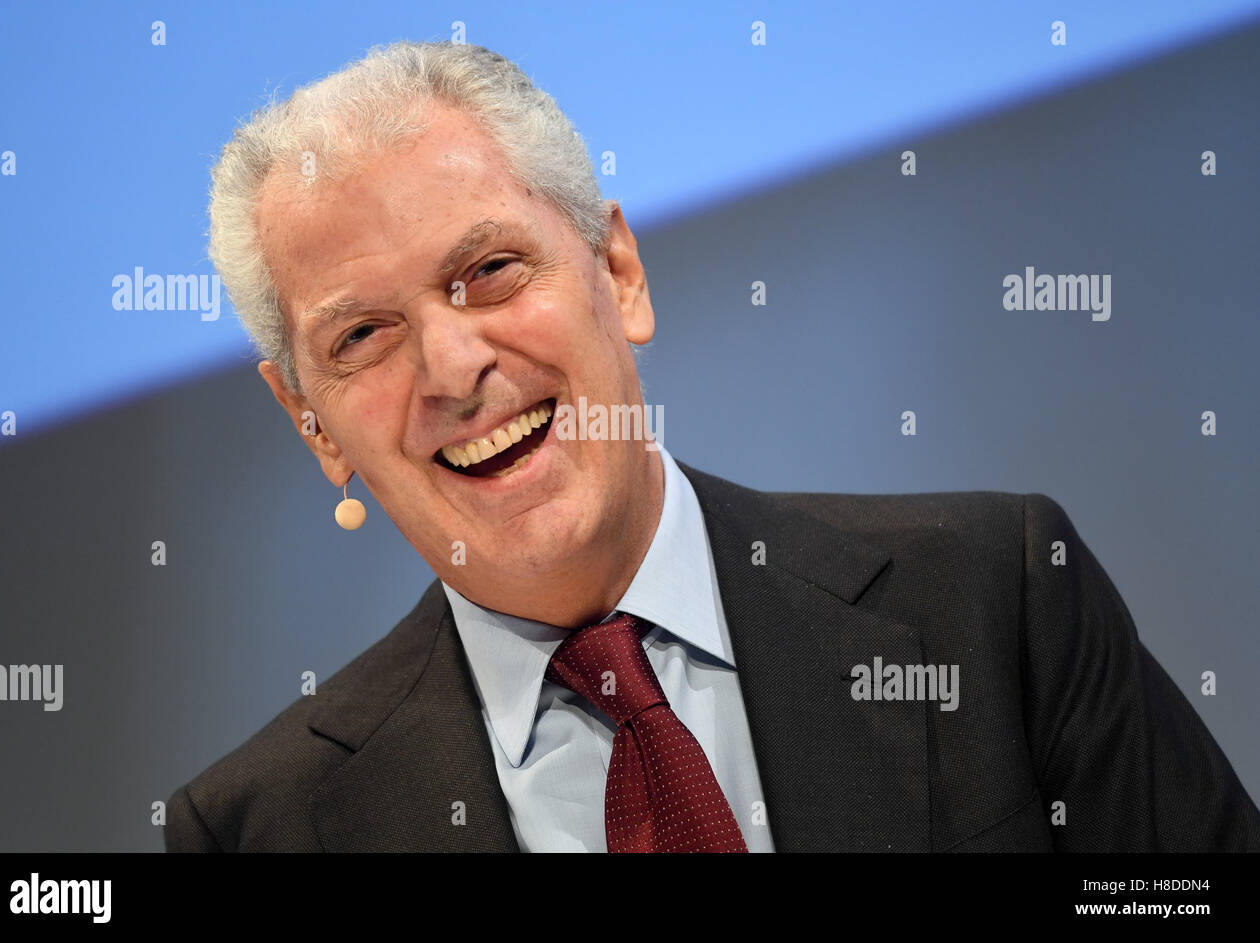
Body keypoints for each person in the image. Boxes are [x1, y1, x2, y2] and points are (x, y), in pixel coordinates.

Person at [165, 40, 1259, 852]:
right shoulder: (255, 831)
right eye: (363, 335)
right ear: (312, 422)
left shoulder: (995, 597)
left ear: (618, 273)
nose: (453, 369)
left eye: (489, 270)